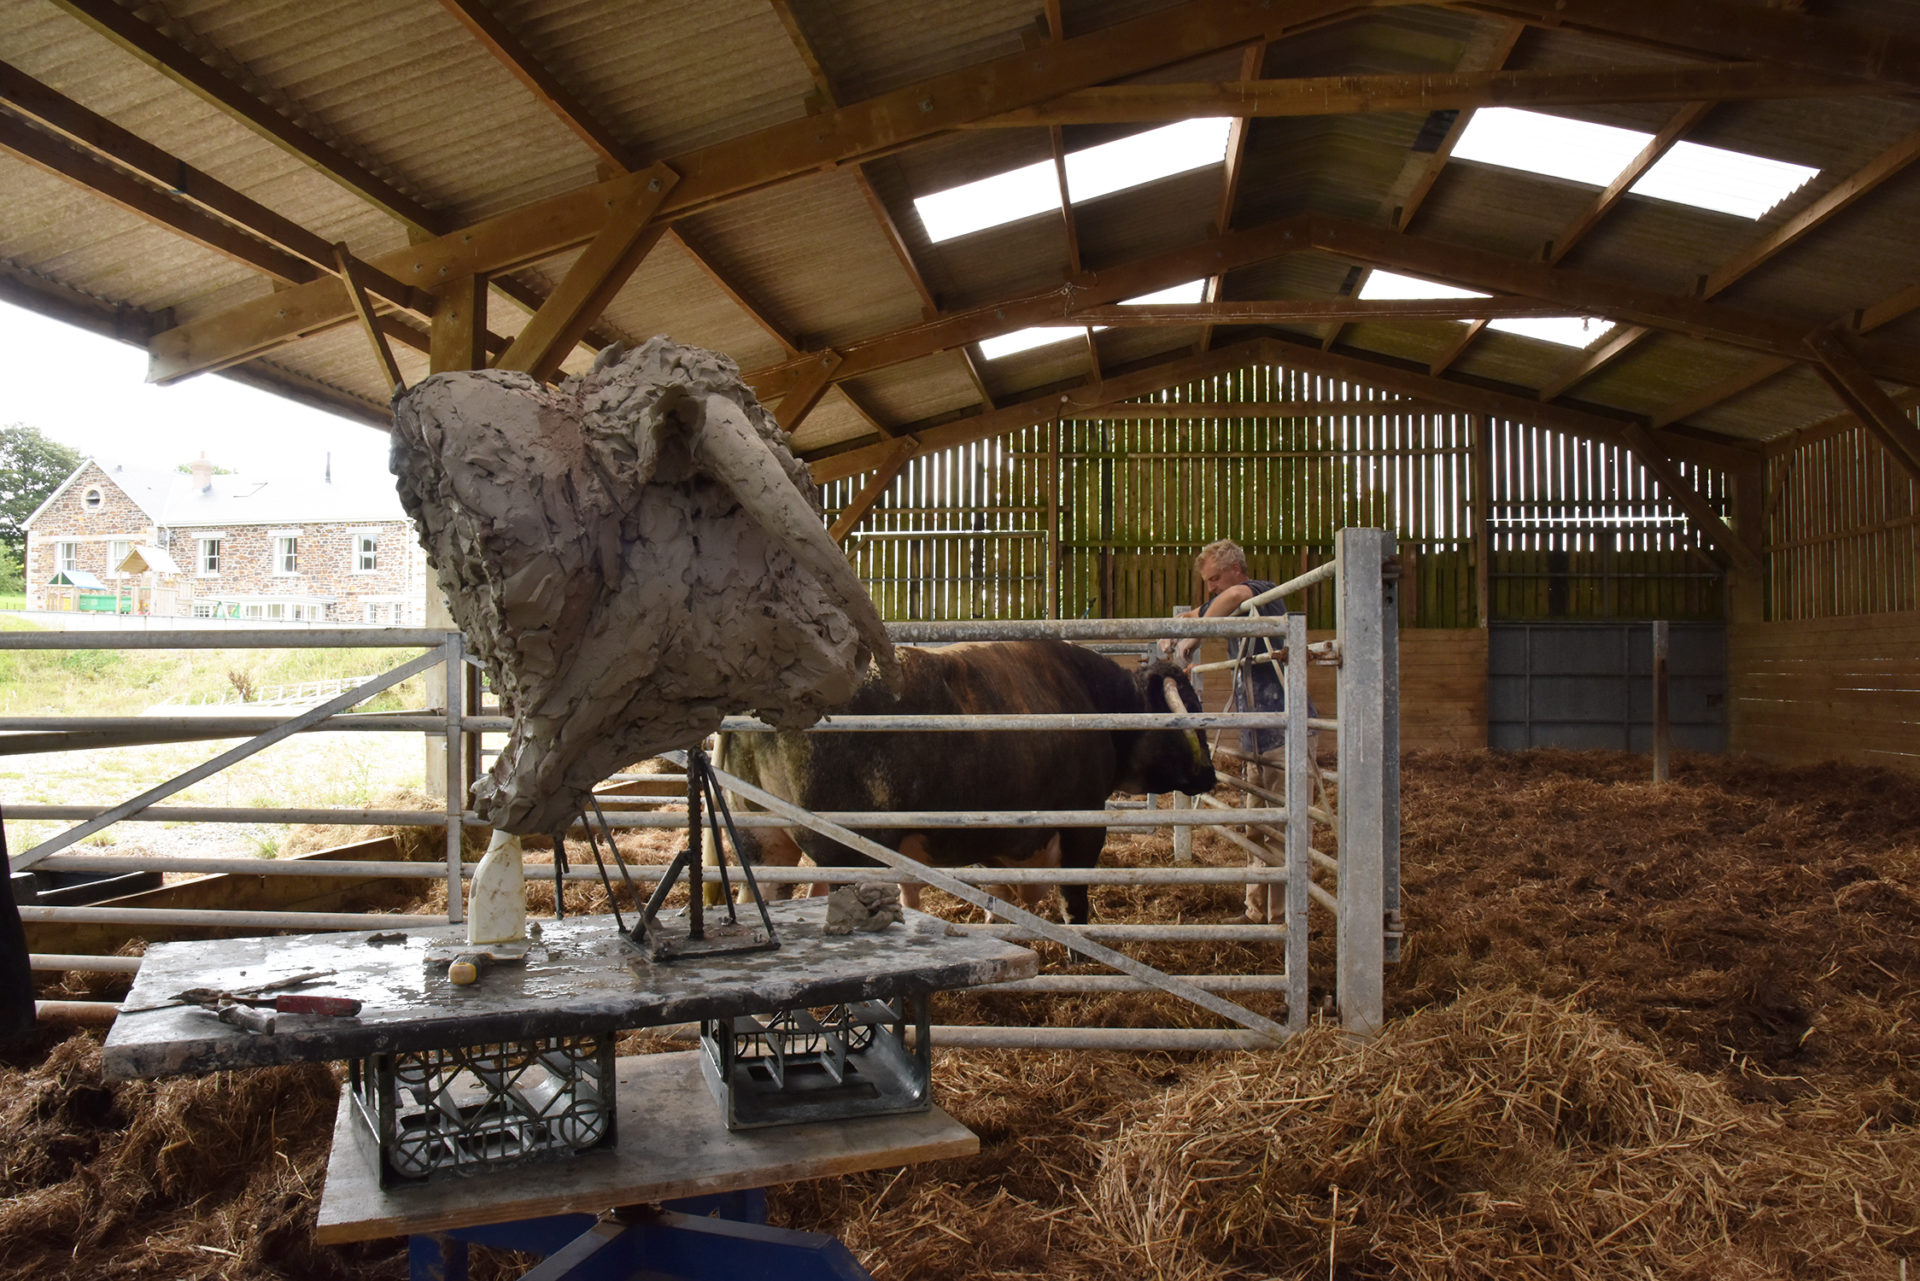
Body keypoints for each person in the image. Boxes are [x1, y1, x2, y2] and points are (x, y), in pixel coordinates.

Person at [1176, 539, 1300, 924]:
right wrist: (1178, 625)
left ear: (1235, 568)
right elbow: (1202, 609)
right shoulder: (1229, 603)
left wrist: (1192, 637)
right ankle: (1255, 912)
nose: (1211, 587)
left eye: (1214, 578)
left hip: (1284, 734)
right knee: (1254, 829)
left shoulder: (1263, 594)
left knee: (1281, 829)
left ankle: (1280, 921)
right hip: (1254, 737)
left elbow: (1232, 596)